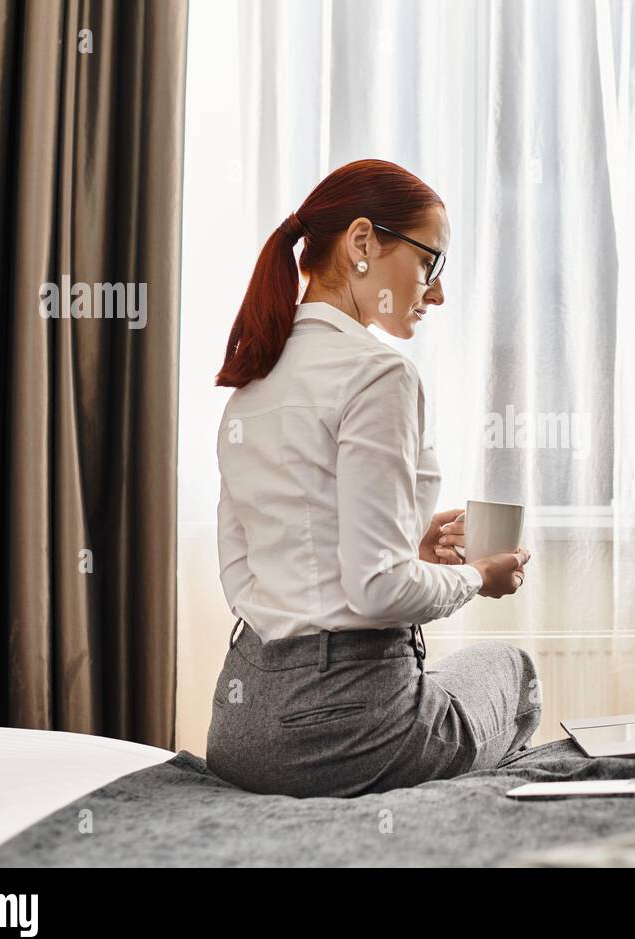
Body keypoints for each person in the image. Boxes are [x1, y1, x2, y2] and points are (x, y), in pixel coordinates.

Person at [205, 158, 539, 798]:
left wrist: (409, 548)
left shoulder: (247, 391)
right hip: (342, 732)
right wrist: (477, 576)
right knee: (514, 672)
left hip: (241, 728)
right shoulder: (380, 375)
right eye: (429, 263)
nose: (436, 292)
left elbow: (248, 575)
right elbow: (379, 592)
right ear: (363, 243)